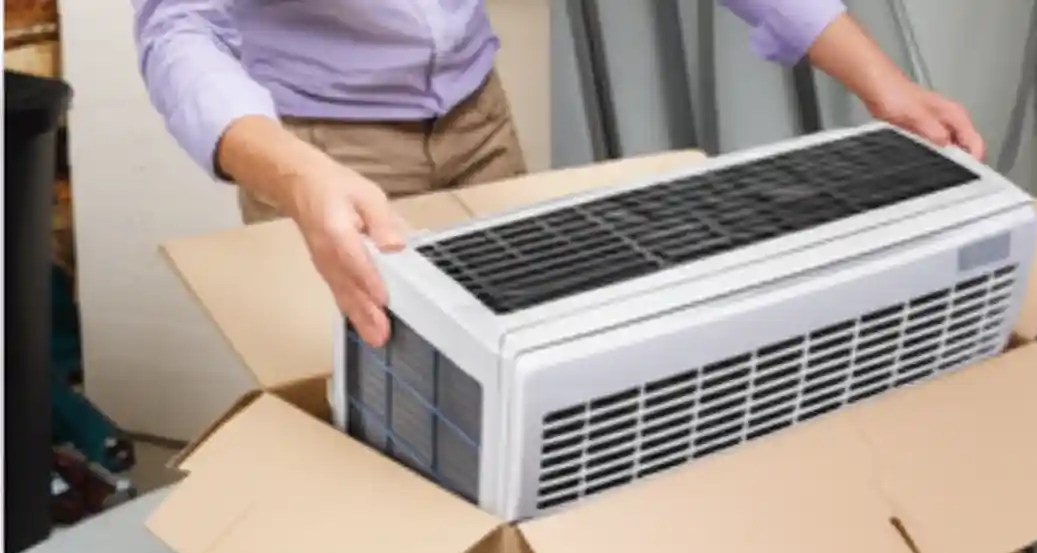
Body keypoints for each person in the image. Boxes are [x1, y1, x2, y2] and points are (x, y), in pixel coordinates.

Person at [133, 1, 985, 348]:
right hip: (319, 148)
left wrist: (883, 82)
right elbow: (178, 29)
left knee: (513, 360)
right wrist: (294, 173)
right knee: (360, 409)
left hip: (476, 117)